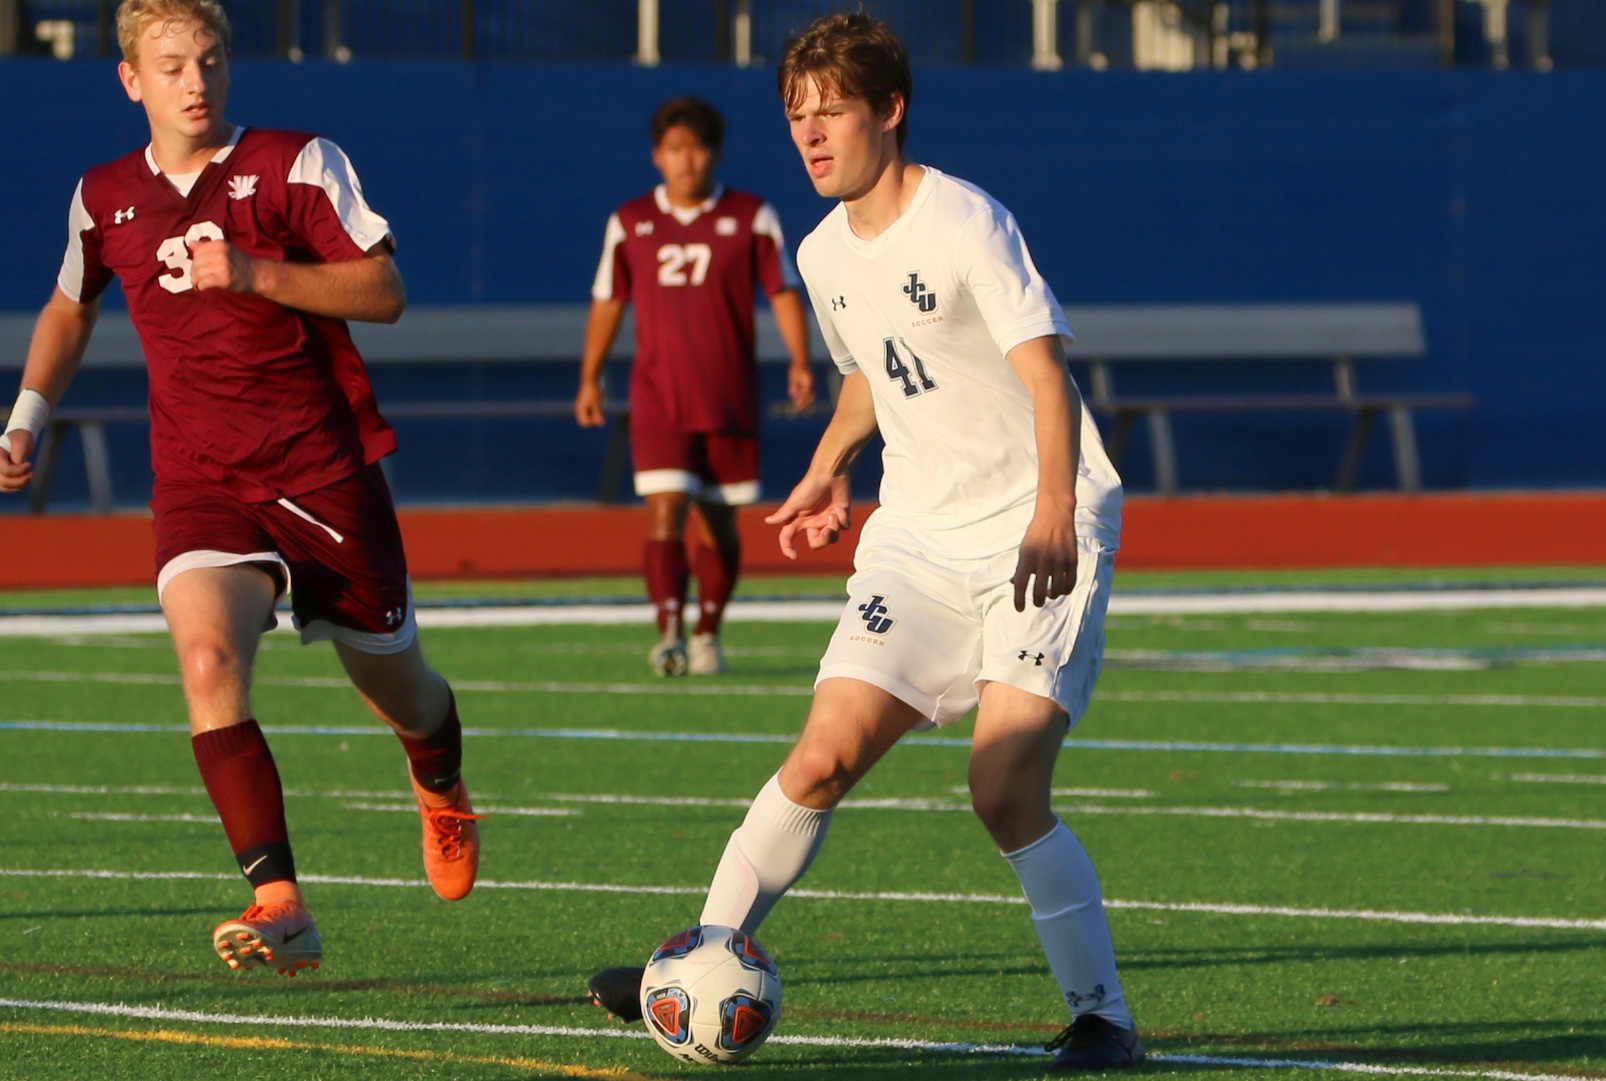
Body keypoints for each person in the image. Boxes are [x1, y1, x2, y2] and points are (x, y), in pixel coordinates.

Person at [589, 13, 1144, 1072]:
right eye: (795, 115)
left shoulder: (966, 220)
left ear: (891, 110)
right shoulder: (820, 250)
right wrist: (828, 465)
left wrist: (1051, 509)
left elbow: (1045, 377)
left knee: (1003, 786)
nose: (809, 134)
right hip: (919, 536)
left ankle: (1103, 1020)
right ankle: (700, 960)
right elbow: (870, 377)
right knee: (822, 755)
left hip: (1038, 529)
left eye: (831, 111)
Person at [0, 0, 478, 976]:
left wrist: (256, 272)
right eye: (171, 64)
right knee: (208, 659)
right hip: (201, 479)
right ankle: (280, 901)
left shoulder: (299, 162)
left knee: (400, 688)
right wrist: (27, 415)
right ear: (131, 79)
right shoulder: (103, 196)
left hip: (323, 470)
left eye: (210, 59)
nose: (195, 80)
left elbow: (384, 291)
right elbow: (69, 305)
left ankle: (438, 777)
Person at [576, 97, 815, 678]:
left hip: (728, 396)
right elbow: (608, 300)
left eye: (699, 147)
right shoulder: (630, 221)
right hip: (658, 396)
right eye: (676, 148)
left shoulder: (751, 216)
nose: (688, 160)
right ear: (658, 156)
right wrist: (589, 376)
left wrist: (800, 360)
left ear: (716, 153)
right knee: (665, 511)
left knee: (720, 522)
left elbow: (782, 290)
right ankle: (669, 635)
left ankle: (707, 631)